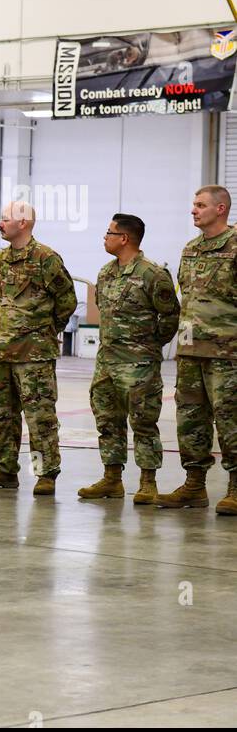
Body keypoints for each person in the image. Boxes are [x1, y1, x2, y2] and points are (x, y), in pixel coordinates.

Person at [0, 201, 76, 496]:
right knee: (3, 415)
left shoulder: (45, 258)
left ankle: (45, 474)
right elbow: (0, 300)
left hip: (34, 353)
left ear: (24, 223)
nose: (0, 223)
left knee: (39, 417)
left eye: (5, 219)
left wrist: (44, 330)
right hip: (3, 350)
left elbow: (66, 299)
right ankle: (5, 470)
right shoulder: (1, 259)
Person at [75, 215, 178, 503]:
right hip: (107, 363)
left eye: (109, 232)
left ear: (124, 238)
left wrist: (150, 345)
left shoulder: (152, 274)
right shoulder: (105, 273)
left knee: (144, 423)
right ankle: (111, 479)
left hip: (140, 364)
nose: (104, 237)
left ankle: (148, 482)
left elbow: (170, 316)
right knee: (108, 421)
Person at [157, 186, 237, 512]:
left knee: (230, 420)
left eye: (200, 205)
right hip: (190, 351)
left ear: (221, 209)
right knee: (190, 419)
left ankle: (235, 485)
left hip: (227, 352)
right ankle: (194, 484)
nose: (193, 210)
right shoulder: (190, 249)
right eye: (193, 204)